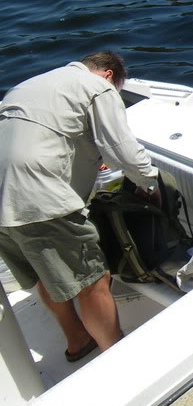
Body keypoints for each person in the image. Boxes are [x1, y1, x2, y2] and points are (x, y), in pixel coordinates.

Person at [0, 51, 160, 361]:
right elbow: (123, 149)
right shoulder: (97, 87)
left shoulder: (28, 86)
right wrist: (150, 182)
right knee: (94, 280)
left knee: (45, 273)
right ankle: (116, 354)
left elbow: (37, 139)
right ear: (109, 75)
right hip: (36, 196)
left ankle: (78, 340)